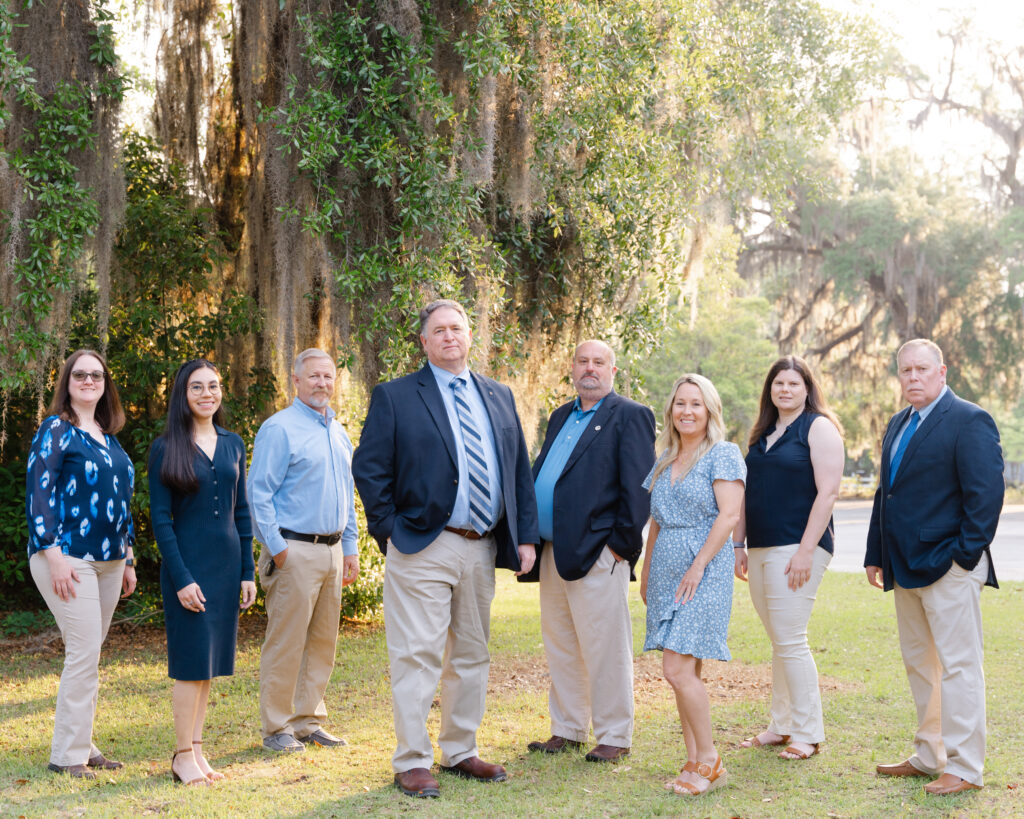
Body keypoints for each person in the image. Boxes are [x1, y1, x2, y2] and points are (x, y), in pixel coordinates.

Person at [352, 299, 539, 799]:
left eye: (458, 328)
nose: (450, 336)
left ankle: (460, 750)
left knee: (473, 654)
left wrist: (524, 536)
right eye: (439, 330)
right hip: (423, 544)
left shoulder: (498, 395)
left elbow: (517, 468)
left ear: (470, 336)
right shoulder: (396, 396)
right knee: (418, 654)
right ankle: (412, 760)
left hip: (480, 547)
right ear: (425, 342)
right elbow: (369, 466)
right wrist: (389, 528)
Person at [865, 339, 1003, 796]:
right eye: (905, 371)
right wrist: (874, 553)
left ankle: (965, 768)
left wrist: (962, 558)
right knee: (920, 665)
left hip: (949, 568)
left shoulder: (969, 419)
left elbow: (985, 498)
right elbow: (888, 495)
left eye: (922, 369)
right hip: (903, 567)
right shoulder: (897, 422)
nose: (913, 378)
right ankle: (930, 754)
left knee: (960, 668)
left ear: (942, 371)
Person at [524, 340, 655, 762]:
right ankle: (568, 727)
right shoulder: (562, 415)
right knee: (561, 642)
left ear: (613, 370)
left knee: (605, 647)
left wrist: (619, 548)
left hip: (599, 552)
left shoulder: (630, 416)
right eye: (582, 361)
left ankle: (615, 734)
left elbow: (639, 489)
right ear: (573, 368)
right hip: (553, 550)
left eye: (599, 362)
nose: (590, 369)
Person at [26, 349, 137, 780]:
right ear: (67, 382)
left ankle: (83, 743)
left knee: (88, 654)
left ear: (106, 383)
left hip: (110, 561)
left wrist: (128, 558)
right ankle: (67, 756)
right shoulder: (56, 429)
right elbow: (39, 493)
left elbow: (121, 505)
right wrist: (52, 555)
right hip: (68, 557)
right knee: (83, 653)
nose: (89, 380)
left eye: (97, 375)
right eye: (80, 374)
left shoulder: (110, 439)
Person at [148, 360, 257, 785]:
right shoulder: (166, 447)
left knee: (209, 665)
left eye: (213, 386)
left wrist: (248, 571)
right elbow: (161, 520)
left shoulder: (233, 444)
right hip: (188, 568)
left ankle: (196, 749)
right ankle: (179, 755)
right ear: (182, 393)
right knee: (191, 663)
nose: (207, 393)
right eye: (197, 387)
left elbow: (242, 511)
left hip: (227, 567)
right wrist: (181, 578)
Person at [248, 348, 360, 753]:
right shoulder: (280, 429)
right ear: (295, 381)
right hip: (293, 551)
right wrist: (278, 551)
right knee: (286, 642)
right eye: (313, 377)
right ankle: (277, 727)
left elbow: (347, 496)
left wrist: (350, 548)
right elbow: (258, 494)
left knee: (322, 643)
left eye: (328, 377)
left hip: (331, 551)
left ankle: (308, 720)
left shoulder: (338, 431)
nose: (322, 384)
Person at [733, 356, 844, 761]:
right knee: (779, 640)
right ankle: (780, 726)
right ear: (770, 390)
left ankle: (808, 733)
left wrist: (805, 550)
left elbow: (828, 493)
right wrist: (737, 545)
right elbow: (745, 494)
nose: (785, 390)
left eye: (793, 384)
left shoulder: (818, 428)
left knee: (791, 639)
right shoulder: (761, 436)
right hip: (761, 547)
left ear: (807, 389)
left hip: (798, 548)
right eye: (778, 383)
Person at [639, 373, 745, 797]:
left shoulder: (723, 454)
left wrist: (698, 565)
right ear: (672, 411)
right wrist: (647, 571)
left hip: (704, 572)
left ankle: (711, 759)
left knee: (677, 669)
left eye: (696, 404)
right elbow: (657, 522)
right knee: (686, 671)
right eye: (680, 403)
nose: (687, 411)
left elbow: (729, 516)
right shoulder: (665, 458)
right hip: (666, 572)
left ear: (709, 410)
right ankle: (693, 758)